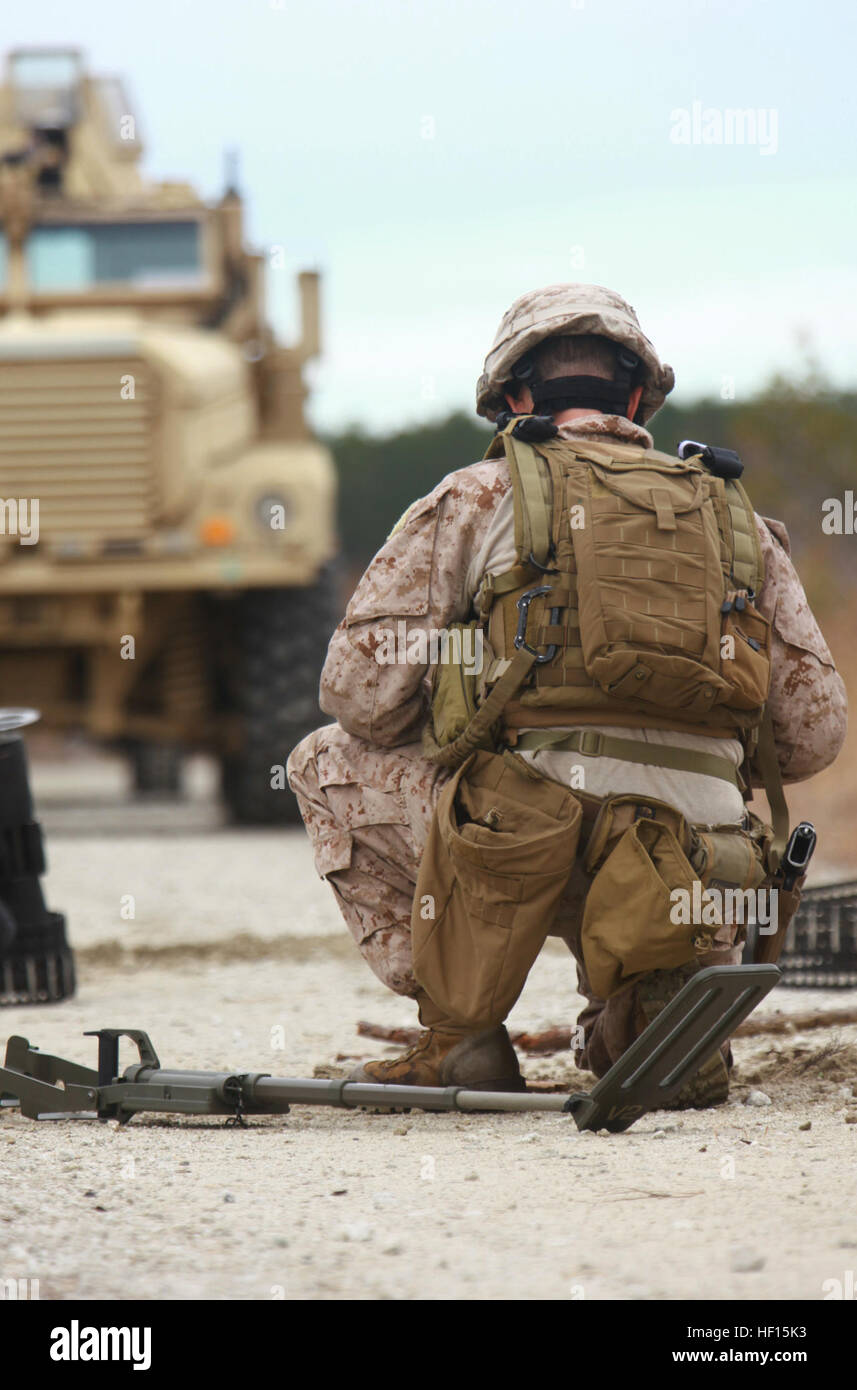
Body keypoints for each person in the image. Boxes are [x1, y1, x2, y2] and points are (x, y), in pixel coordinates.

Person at [287, 284, 847, 1105]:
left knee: (320, 761)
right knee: (670, 850)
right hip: (693, 872)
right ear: (634, 396)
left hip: (521, 853)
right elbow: (813, 737)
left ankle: (460, 1034)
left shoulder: (475, 497)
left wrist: (472, 696)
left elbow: (359, 694)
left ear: (513, 397)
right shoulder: (738, 522)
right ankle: (651, 1013)